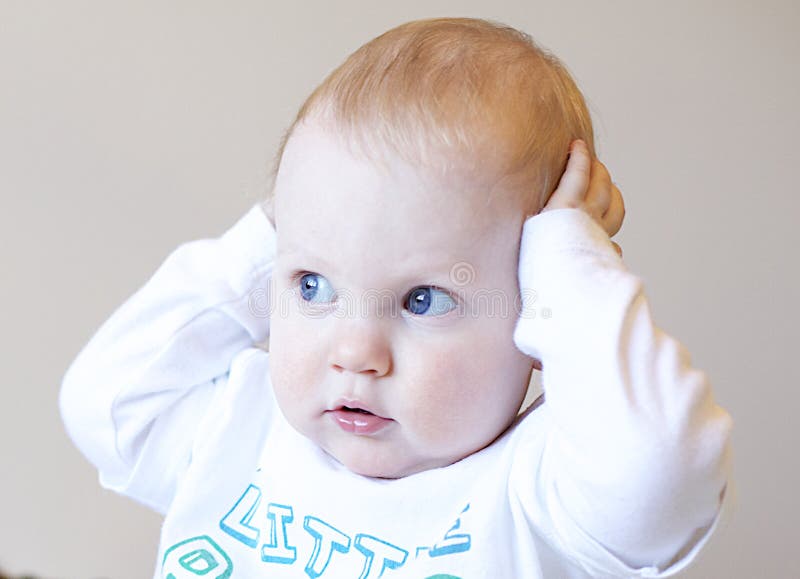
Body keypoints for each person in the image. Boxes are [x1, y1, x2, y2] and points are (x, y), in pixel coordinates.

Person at [59, 17, 734, 578]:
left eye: (422, 300)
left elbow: (661, 470)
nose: (355, 353)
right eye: (312, 285)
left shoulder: (542, 495)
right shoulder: (241, 433)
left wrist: (567, 258)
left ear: (532, 310)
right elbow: (103, 403)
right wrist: (282, 227)